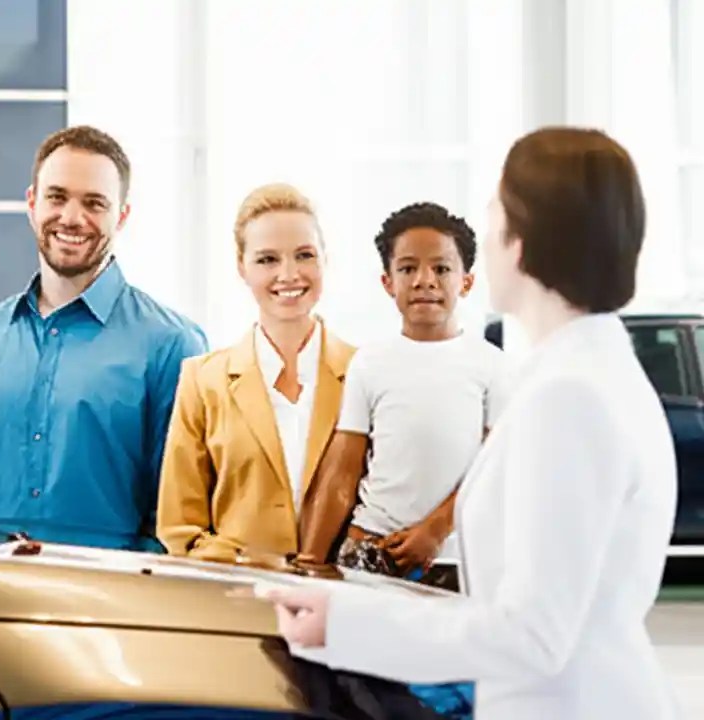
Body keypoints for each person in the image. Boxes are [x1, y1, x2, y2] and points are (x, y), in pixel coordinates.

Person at [261, 127, 680, 719]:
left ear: (523, 242)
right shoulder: (578, 372)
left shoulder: (569, 395)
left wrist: (344, 623)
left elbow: (531, 635)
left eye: (494, 218)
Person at [0, 125, 207, 550]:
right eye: (57, 197)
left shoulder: (173, 345)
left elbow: (175, 517)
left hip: (111, 605)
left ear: (122, 216)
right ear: (32, 203)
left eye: (94, 203)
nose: (72, 218)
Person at [298, 202, 508, 590]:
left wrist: (434, 529)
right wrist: (310, 564)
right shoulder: (369, 363)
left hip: (453, 558)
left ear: (466, 281)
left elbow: (496, 471)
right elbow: (344, 469)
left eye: (441, 269)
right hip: (370, 551)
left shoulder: (493, 366)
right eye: (408, 268)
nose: (424, 280)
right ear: (388, 282)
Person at [157, 183, 355, 562]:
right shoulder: (203, 381)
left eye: (304, 255)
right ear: (241, 267)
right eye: (267, 260)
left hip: (345, 605)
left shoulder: (365, 373)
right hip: (238, 605)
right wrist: (252, 566)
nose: (289, 274)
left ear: (325, 259)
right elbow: (180, 528)